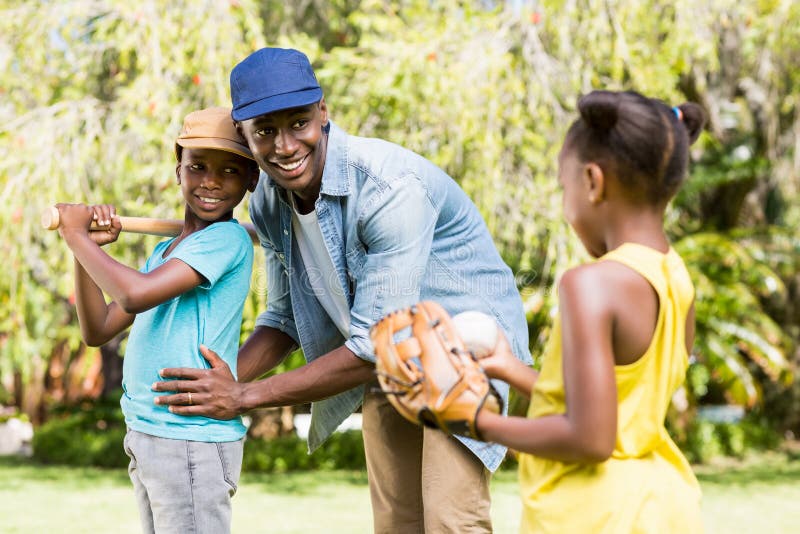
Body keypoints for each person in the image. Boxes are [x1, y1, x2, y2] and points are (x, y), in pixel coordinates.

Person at [152, 47, 531, 532]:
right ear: (244, 135)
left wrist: (242, 396)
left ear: (323, 112)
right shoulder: (269, 200)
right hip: (389, 358)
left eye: (299, 123)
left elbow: (372, 346)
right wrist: (211, 386)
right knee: (397, 523)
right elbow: (284, 318)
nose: (285, 146)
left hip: (463, 351)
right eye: (265, 131)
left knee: (449, 519)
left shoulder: (389, 189)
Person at [473, 90, 707, 532]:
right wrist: (509, 368)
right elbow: (613, 408)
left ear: (593, 181)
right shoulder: (675, 278)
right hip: (663, 506)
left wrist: (475, 422)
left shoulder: (590, 284)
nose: (566, 203)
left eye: (565, 187)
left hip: (594, 514)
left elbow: (590, 438)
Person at [56, 106, 259, 534]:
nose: (211, 182)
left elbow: (135, 293)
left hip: (190, 440)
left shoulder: (227, 239)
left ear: (251, 179)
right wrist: (86, 248)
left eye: (230, 171)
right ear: (178, 170)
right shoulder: (165, 254)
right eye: (198, 166)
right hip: (148, 433)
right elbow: (98, 329)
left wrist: (74, 235)